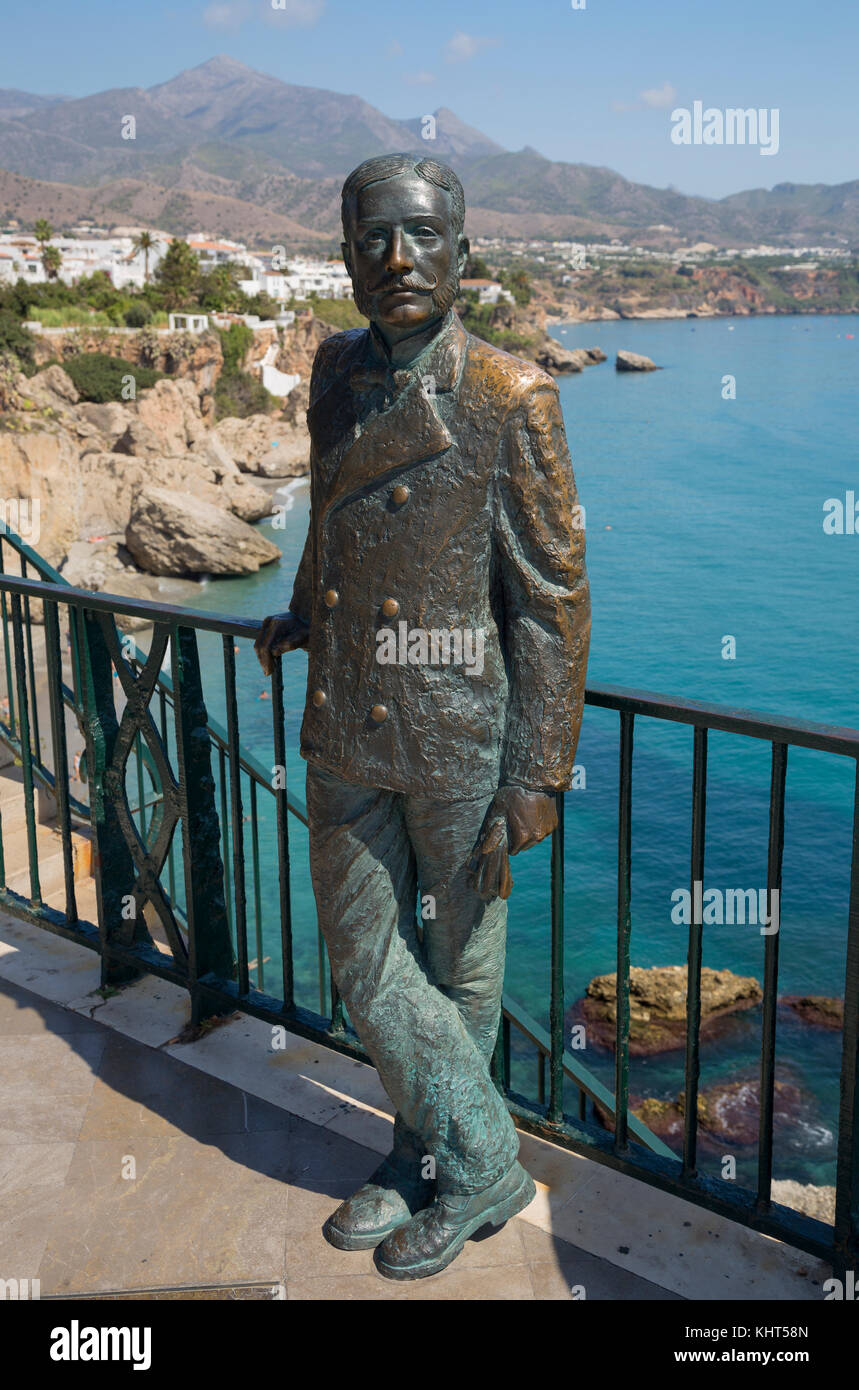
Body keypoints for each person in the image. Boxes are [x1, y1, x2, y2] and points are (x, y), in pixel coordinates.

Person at [255, 154, 590, 1281]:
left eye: (420, 235)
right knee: (364, 957)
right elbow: (334, 518)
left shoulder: (508, 392)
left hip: (458, 736)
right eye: (372, 239)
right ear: (346, 256)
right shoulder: (335, 368)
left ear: (463, 251)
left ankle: (435, 1163)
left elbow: (549, 598)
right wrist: (304, 609)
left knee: (459, 970)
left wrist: (539, 771)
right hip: (347, 714)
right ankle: (486, 1151)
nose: (396, 259)